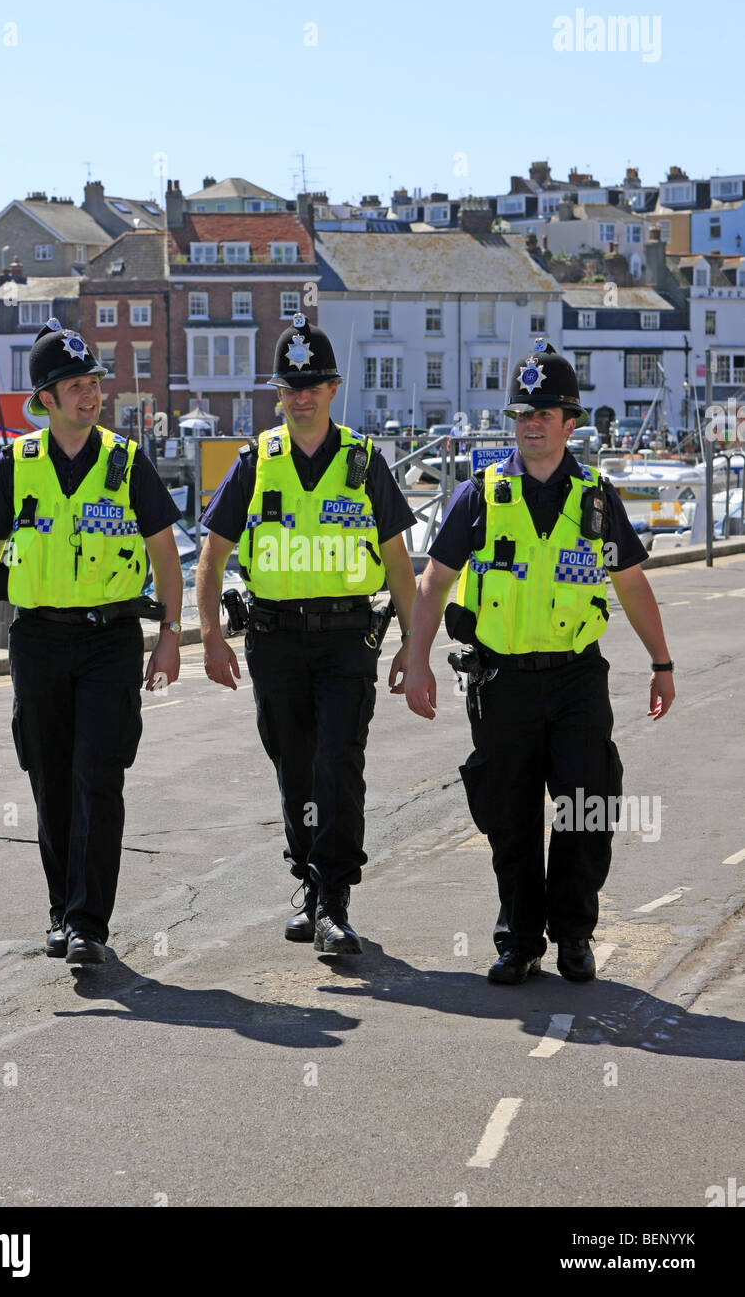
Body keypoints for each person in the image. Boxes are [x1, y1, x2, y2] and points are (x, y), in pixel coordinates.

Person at [400, 340, 675, 984]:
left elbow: (632, 586)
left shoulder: (598, 501)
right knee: (511, 818)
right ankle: (519, 940)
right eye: (523, 411)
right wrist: (416, 662)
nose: (532, 422)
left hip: (577, 678)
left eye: (546, 412)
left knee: (588, 806)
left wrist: (661, 664)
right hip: (502, 683)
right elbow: (434, 581)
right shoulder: (481, 496)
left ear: (570, 422)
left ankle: (574, 933)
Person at [0, 319, 184, 965]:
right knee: (51, 780)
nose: (91, 395)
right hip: (39, 641)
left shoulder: (127, 461)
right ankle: (61, 910)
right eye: (76, 386)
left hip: (112, 638)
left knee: (98, 777)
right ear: (45, 400)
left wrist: (169, 637)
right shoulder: (16, 466)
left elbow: (167, 557)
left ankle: (89, 923)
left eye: (94, 383)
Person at [196, 313, 417, 954]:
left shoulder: (362, 459)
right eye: (292, 386)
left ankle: (335, 898)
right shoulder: (255, 462)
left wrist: (414, 644)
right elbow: (212, 557)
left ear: (333, 388)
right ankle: (311, 883)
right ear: (279, 393)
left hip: (348, 639)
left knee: (337, 763)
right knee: (294, 766)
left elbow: (400, 565)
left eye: (314, 384)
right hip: (274, 641)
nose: (303, 396)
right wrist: (210, 635)